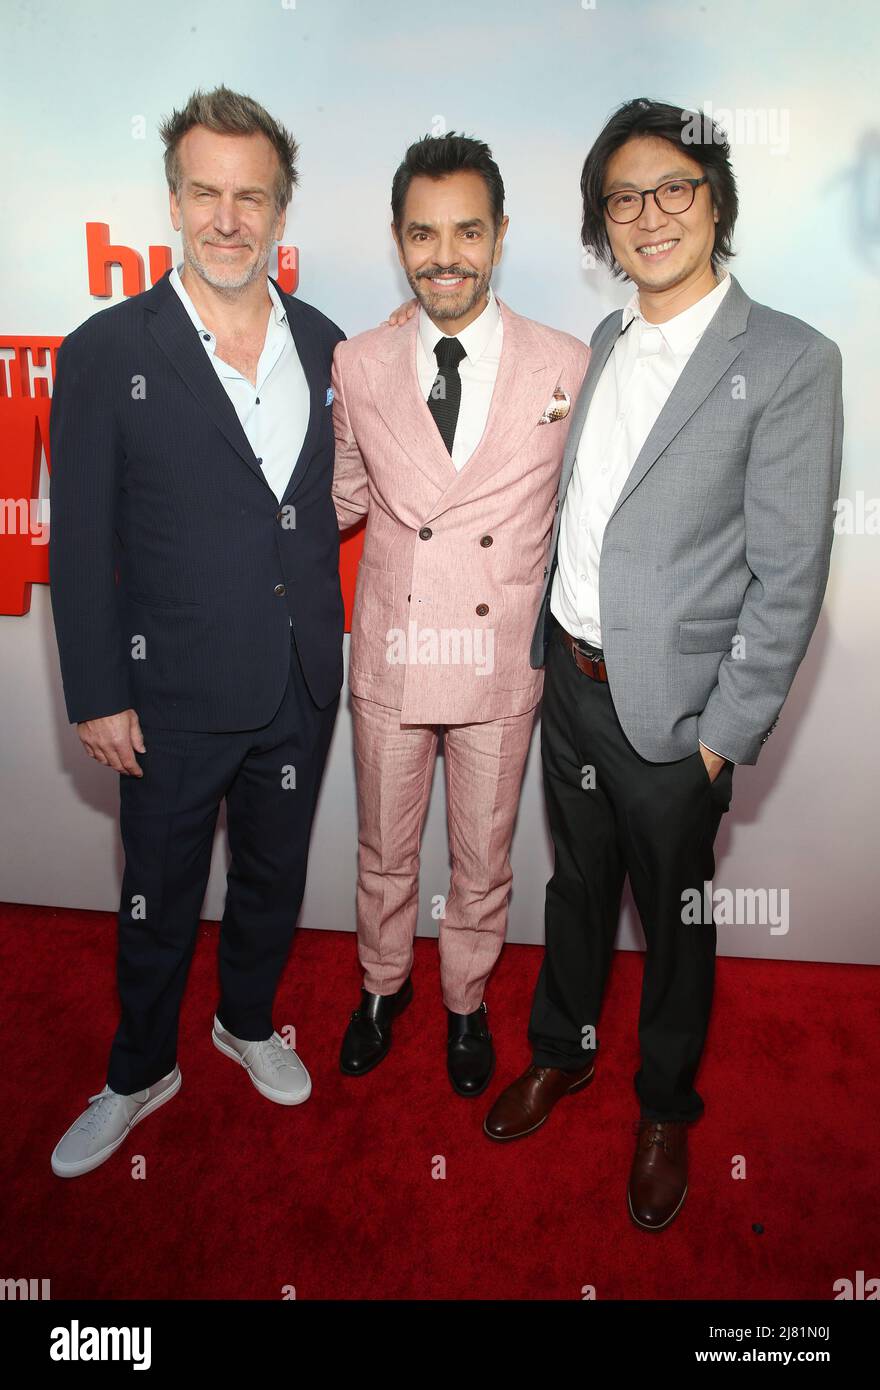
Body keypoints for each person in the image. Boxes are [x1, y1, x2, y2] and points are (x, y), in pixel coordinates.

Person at [483, 98, 844, 1231]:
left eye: (673, 188)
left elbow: (789, 575)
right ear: (602, 226)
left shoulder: (788, 359)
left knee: (675, 916)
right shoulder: (601, 343)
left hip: (675, 719)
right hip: (572, 687)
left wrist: (720, 734)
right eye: (623, 198)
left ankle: (664, 1104)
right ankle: (564, 1050)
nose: (649, 216)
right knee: (576, 887)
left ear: (717, 200)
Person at [48, 86, 345, 1177]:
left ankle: (246, 1023)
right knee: (157, 893)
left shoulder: (326, 345)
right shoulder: (103, 350)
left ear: (279, 209)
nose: (229, 218)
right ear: (173, 200)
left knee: (273, 878)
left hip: (301, 677)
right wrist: (94, 688)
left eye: (251, 197)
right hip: (163, 689)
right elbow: (78, 543)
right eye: (207, 193)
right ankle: (139, 1070)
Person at [331, 133, 589, 1096]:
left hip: (496, 664)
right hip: (395, 655)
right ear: (399, 239)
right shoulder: (358, 364)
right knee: (385, 849)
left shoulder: (566, 364)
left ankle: (466, 1002)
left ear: (502, 236)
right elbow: (344, 496)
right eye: (424, 233)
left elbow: (590, 504)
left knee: (481, 861)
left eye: (468, 231)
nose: (446, 254)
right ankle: (380, 987)